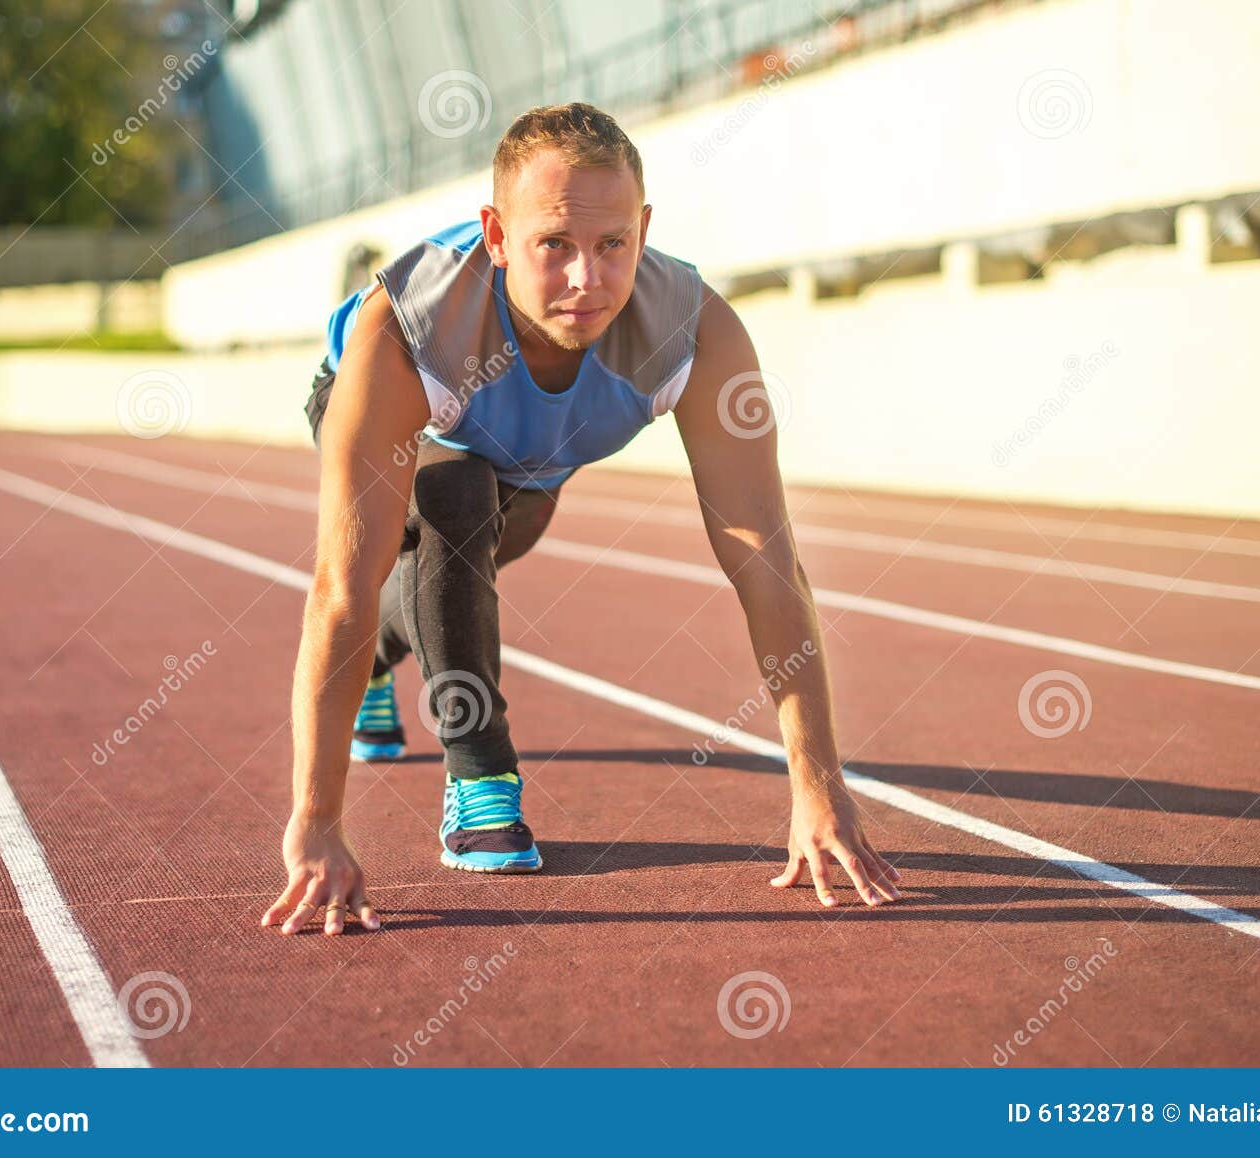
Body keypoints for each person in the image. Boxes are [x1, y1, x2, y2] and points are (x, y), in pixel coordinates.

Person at [262, 102, 901, 937]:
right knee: (451, 496)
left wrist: (818, 786)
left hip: (532, 463)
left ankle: (386, 663)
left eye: (611, 247)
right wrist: (316, 821)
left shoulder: (697, 332)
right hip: (400, 416)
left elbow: (765, 561)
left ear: (643, 230)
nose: (585, 282)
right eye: (552, 246)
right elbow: (341, 586)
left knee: (456, 561)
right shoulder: (406, 329)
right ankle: (480, 773)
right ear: (495, 235)